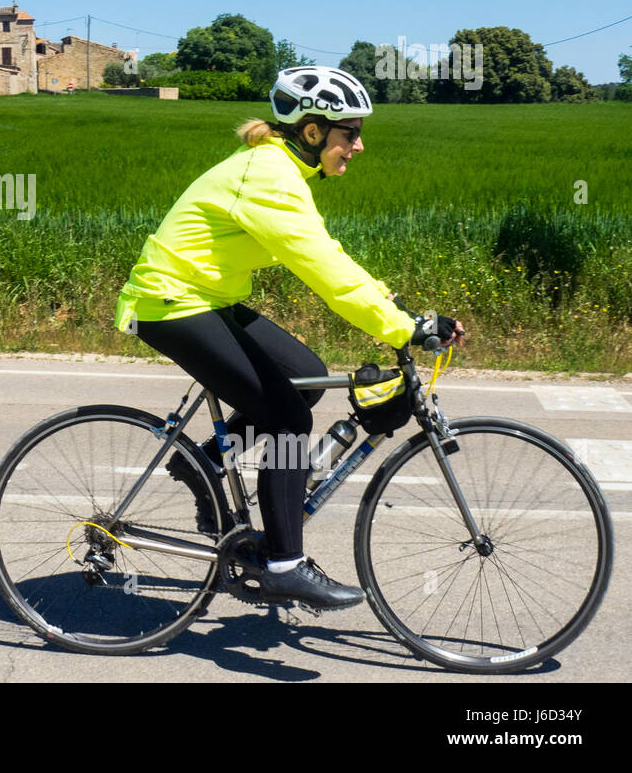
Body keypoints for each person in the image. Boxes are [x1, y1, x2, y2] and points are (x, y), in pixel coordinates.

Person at [116, 66, 464, 610]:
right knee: (288, 418)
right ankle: (284, 566)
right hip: (169, 304)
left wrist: (395, 306)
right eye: (349, 132)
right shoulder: (269, 176)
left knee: (304, 378)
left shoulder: (284, 174)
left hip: (206, 297)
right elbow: (320, 267)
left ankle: (204, 463)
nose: (359, 145)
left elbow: (326, 252)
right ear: (312, 131)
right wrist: (402, 328)